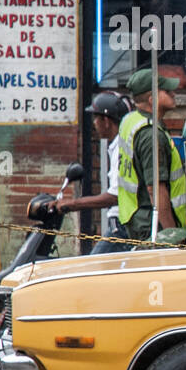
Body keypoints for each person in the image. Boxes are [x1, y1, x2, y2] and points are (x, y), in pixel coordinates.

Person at [53, 91, 132, 253]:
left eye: (96, 118)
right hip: (120, 224)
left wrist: (72, 204)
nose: (94, 123)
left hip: (122, 227)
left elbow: (114, 197)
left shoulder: (122, 147)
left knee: (92, 267)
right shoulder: (117, 146)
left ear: (106, 121)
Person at [117, 68, 186, 243]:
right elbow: (155, 190)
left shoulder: (131, 120)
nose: (173, 93)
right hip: (153, 225)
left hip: (137, 217)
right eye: (166, 91)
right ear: (152, 99)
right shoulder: (151, 135)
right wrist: (172, 235)